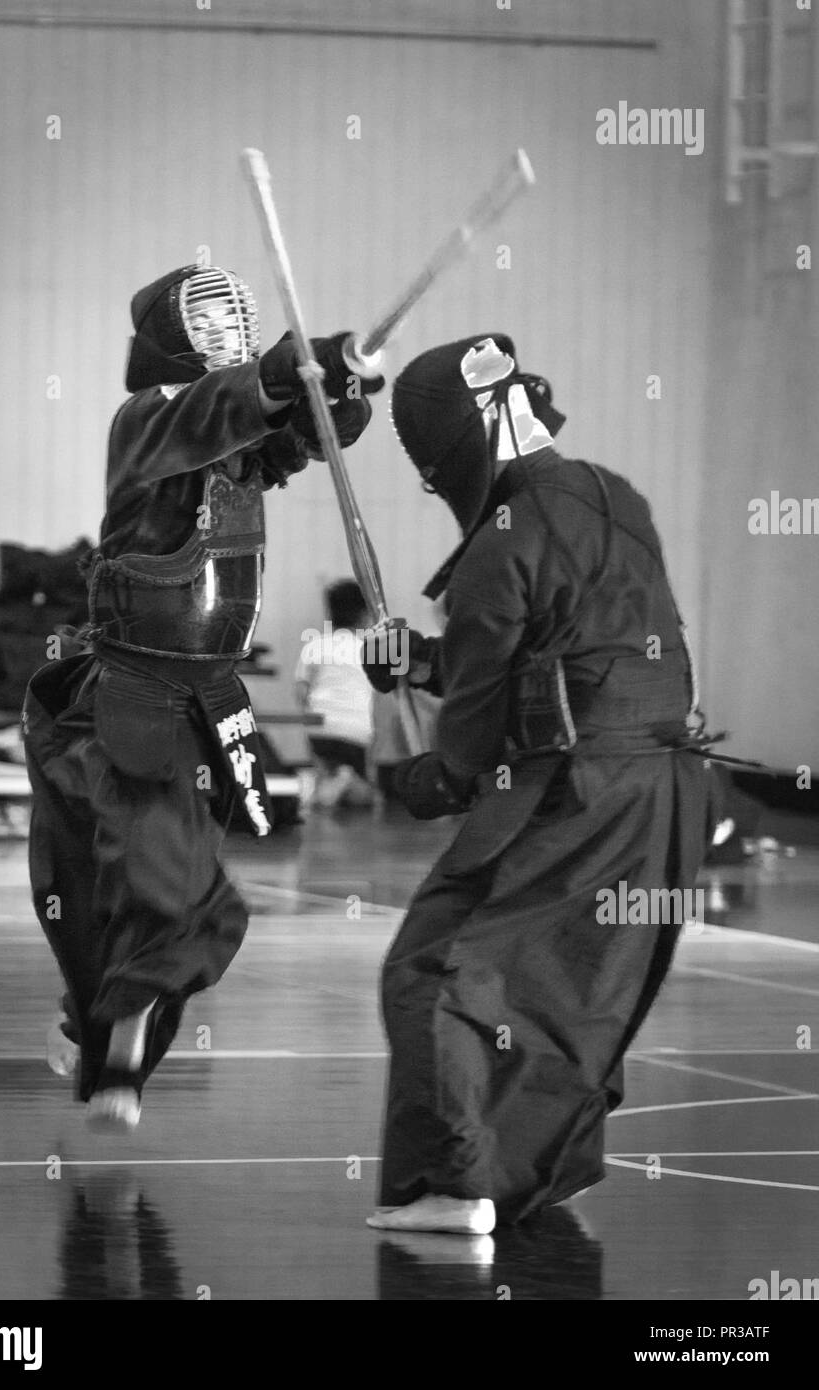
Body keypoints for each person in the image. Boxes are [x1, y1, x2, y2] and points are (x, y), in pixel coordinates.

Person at [362, 333, 720, 1233]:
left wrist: (427, 780)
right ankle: (548, 1171)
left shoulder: (497, 549)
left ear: (453, 452)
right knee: (574, 990)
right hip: (670, 791)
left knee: (431, 970)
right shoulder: (616, 496)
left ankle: (455, 1186)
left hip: (579, 795)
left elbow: (479, 723)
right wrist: (419, 661)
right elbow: (570, 650)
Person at [23, 262, 382, 1132]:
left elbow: (289, 439)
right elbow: (220, 407)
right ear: (171, 335)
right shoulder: (149, 422)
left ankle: (106, 1021)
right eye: (210, 319)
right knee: (156, 883)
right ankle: (117, 1036)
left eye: (236, 321)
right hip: (135, 691)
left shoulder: (227, 446)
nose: (228, 329)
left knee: (174, 879)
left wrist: (336, 390)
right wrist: (287, 369)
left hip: (208, 701)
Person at [295, 579, 375, 809]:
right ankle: (345, 777)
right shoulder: (368, 648)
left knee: (328, 779)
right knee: (365, 799)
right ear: (364, 614)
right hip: (355, 731)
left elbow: (301, 692)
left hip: (319, 726)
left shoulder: (314, 645)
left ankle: (327, 780)